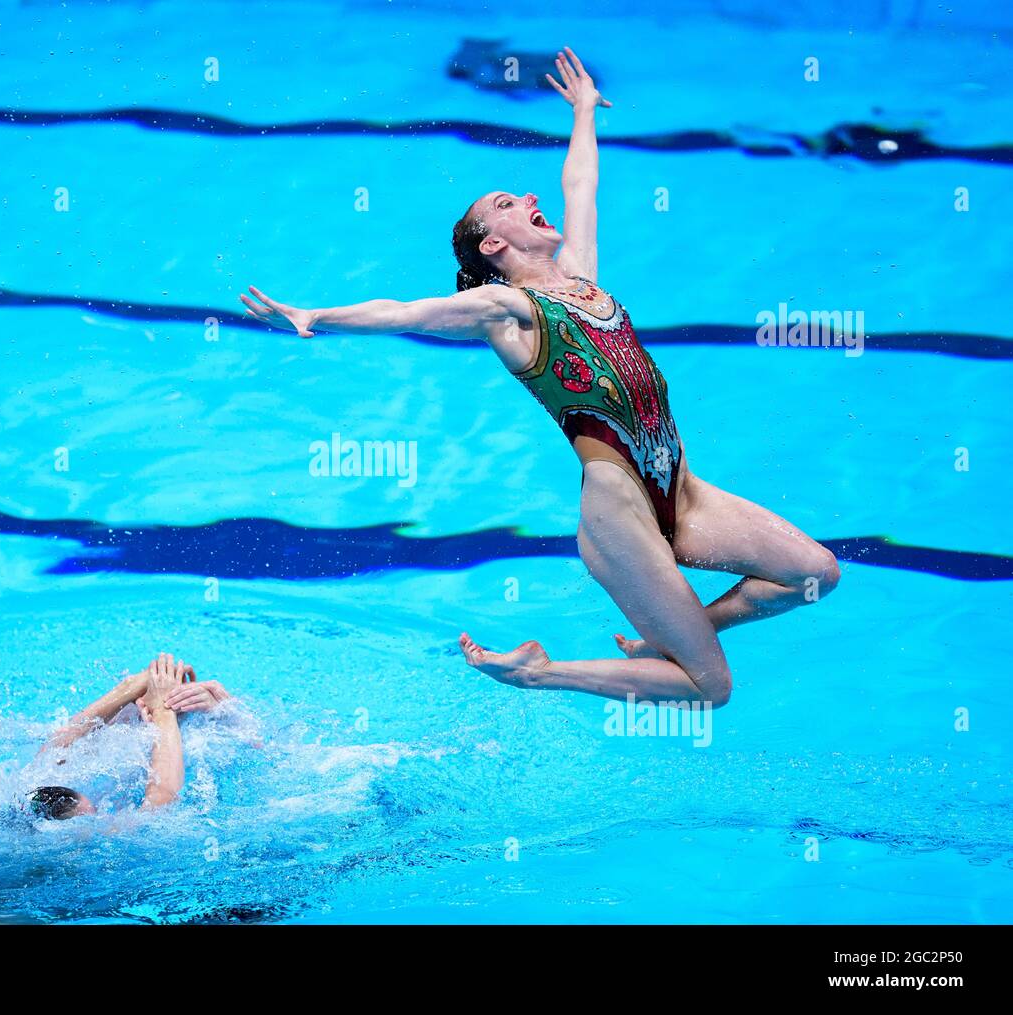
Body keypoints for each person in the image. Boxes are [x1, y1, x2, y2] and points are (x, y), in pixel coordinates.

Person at [239, 48, 839, 709]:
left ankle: (681, 634)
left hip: (681, 489)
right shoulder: (509, 312)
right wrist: (313, 316)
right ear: (493, 246)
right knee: (709, 688)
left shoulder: (581, 278)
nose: (529, 198)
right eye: (507, 203)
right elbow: (409, 312)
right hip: (621, 513)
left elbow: (580, 185)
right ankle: (537, 671)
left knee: (814, 572)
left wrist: (583, 112)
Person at [26, 652, 233, 819]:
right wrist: (162, 709)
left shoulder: (21, 813)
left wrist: (130, 688)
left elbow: (47, 759)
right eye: (91, 816)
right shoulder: (101, 843)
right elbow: (161, 802)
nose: (98, 817)